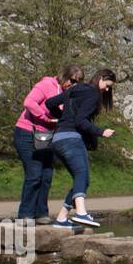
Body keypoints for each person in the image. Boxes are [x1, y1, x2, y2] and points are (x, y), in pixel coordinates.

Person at [47, 69, 117, 229]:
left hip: (58, 138)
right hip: (71, 139)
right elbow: (80, 121)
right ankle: (81, 213)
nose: (107, 89)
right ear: (100, 78)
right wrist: (101, 131)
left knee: (81, 180)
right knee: (82, 175)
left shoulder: (73, 90)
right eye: (107, 85)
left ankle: (61, 218)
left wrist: (63, 118)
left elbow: (49, 103)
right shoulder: (92, 94)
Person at [15, 65, 80, 222]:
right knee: (34, 173)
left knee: (46, 175)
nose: (74, 84)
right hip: (27, 133)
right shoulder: (46, 85)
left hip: (47, 135)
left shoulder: (68, 94)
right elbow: (29, 103)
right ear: (64, 77)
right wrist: (45, 118)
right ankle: (25, 214)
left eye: (78, 82)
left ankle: (41, 213)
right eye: (72, 80)